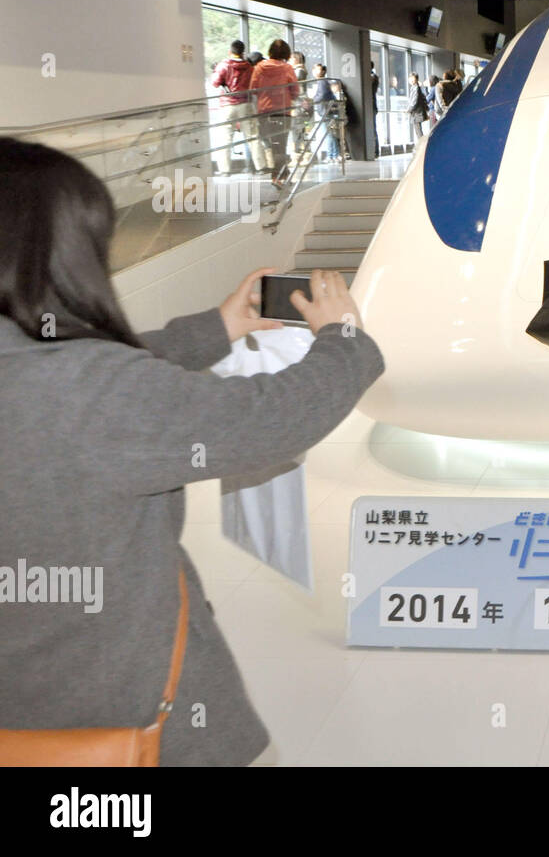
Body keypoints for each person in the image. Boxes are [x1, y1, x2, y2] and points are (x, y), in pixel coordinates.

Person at [0, 138, 385, 765]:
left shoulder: (66, 378)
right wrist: (343, 341)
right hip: (129, 718)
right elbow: (268, 420)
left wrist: (214, 330)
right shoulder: (92, 390)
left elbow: (69, 378)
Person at [248, 39, 300, 186]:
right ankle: (278, 175)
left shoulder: (259, 67)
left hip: (264, 111)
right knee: (281, 144)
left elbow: (253, 88)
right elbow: (295, 91)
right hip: (283, 111)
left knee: (272, 144)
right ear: (286, 53)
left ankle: (282, 173)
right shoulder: (287, 68)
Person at [209, 39, 257, 175]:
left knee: (225, 137)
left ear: (230, 51)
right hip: (245, 103)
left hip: (227, 104)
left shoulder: (224, 65)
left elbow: (215, 82)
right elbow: (254, 84)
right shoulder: (249, 66)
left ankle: (225, 169)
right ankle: (261, 166)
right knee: (252, 135)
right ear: (243, 52)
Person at [310, 63, 338, 161]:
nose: (315, 71)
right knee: (330, 134)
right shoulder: (323, 81)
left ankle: (332, 156)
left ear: (323, 71)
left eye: (318, 69)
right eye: (314, 69)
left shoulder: (321, 81)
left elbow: (322, 95)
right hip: (327, 110)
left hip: (325, 111)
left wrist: (312, 100)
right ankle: (334, 155)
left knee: (329, 134)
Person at [407, 72, 428, 141]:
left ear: (416, 79)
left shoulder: (416, 88)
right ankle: (422, 145)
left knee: (418, 131)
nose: (411, 80)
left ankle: (422, 146)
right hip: (416, 113)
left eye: (412, 78)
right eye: (410, 78)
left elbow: (414, 101)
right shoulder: (414, 87)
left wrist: (409, 109)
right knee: (418, 131)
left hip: (417, 113)